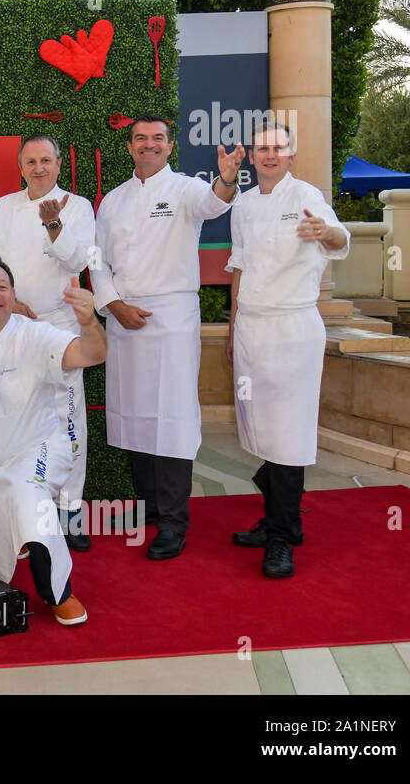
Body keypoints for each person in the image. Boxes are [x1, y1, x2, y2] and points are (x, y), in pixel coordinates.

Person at [91, 116, 245, 560]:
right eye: (141, 139)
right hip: (123, 316)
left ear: (170, 146)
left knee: (172, 417)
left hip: (172, 315)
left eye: (157, 138)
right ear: (129, 147)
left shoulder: (186, 189)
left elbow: (214, 204)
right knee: (135, 413)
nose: (149, 145)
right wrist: (112, 304)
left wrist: (227, 179)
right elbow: (96, 259)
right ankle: (151, 511)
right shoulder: (113, 201)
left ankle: (175, 522)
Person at [0, 258, 107, 626]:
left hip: (36, 449)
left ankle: (57, 592)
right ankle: (17, 543)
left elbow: (92, 354)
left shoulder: (36, 335)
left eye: (2, 287)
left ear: (13, 295)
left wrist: (90, 322)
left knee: (27, 498)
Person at [225, 122, 349, 578]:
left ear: (291, 155)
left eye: (278, 148)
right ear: (253, 156)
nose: (270, 155)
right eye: (262, 148)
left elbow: (339, 240)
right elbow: (238, 267)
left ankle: (281, 538)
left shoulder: (308, 197)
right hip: (252, 330)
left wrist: (326, 232)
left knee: (289, 433)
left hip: (294, 328)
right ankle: (283, 516)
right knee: (259, 428)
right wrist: (234, 328)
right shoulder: (243, 205)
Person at [0, 133, 97, 550]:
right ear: (21, 166)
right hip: (11, 322)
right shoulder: (4, 207)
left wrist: (54, 224)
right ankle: (22, 507)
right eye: (31, 161)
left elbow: (80, 261)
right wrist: (8, 299)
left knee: (67, 416)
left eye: (46, 160)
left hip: (60, 324)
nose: (39, 168)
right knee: (14, 413)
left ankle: (71, 509)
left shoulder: (77, 207)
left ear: (59, 164)